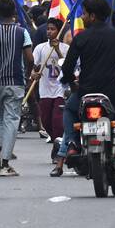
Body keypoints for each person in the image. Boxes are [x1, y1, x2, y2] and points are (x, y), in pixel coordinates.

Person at [57, 0, 115, 170]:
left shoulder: (81, 38)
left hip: (84, 93)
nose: (82, 17)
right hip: (113, 94)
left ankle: (72, 144)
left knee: (68, 108)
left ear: (93, 16)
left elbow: (67, 68)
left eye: (84, 13)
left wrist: (70, 81)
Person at [0, 0, 33, 176]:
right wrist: (28, 76)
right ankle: (5, 163)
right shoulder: (22, 32)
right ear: (14, 12)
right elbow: (29, 58)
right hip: (16, 81)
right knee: (12, 120)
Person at [33, 18, 69, 174]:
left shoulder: (66, 48)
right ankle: (57, 143)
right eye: (48, 29)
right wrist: (34, 74)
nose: (49, 32)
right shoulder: (40, 48)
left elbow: (67, 65)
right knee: (46, 121)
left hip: (60, 89)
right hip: (45, 89)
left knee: (57, 122)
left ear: (59, 31)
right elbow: (34, 67)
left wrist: (58, 51)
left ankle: (59, 149)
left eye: (53, 29)